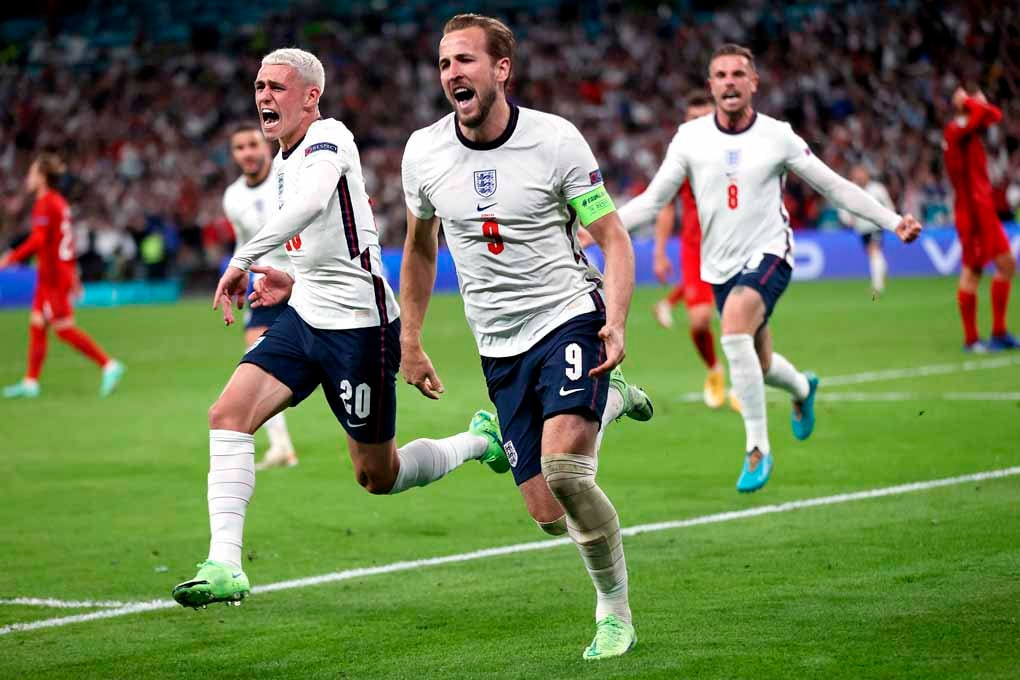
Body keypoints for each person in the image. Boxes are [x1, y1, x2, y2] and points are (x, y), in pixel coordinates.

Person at [172, 48, 508, 611]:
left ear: (310, 96)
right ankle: (225, 564)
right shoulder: (283, 158)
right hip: (306, 317)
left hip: (361, 328)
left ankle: (479, 440)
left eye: (277, 86)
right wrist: (289, 278)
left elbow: (309, 205)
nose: (263, 96)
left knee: (377, 475)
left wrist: (243, 259)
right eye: (258, 85)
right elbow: (320, 242)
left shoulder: (331, 138)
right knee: (227, 415)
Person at [400, 14, 651, 661]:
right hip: (498, 344)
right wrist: (411, 336)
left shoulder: (555, 141)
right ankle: (612, 400)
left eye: (465, 60)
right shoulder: (424, 154)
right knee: (546, 513)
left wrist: (616, 320)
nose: (452, 72)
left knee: (568, 471)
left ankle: (615, 615)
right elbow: (421, 249)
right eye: (444, 63)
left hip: (567, 313)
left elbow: (615, 239)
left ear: (501, 69)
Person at [618, 44, 922, 493]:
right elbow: (652, 202)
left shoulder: (777, 136)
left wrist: (893, 221)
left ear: (753, 82)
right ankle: (802, 389)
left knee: (735, 327)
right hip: (718, 266)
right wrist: (596, 228)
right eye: (720, 74)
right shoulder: (690, 139)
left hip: (770, 254)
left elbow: (834, 186)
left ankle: (756, 448)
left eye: (738, 73)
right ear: (711, 85)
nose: (729, 81)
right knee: (756, 363)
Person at [0, 153, 124, 399]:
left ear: (43, 177)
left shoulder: (45, 203)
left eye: (32, 172)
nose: (28, 177)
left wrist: (9, 258)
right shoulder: (59, 202)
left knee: (63, 329)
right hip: (53, 274)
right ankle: (30, 382)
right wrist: (73, 275)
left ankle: (109, 365)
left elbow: (39, 240)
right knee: (37, 324)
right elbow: (64, 242)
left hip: (54, 277)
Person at [649, 90, 736, 410]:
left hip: (735, 245)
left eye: (704, 118)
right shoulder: (681, 158)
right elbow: (665, 206)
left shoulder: (735, 151)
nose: (698, 124)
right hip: (696, 249)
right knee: (700, 322)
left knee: (740, 323)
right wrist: (659, 252)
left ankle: (743, 386)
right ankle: (714, 368)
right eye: (692, 119)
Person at [222, 123, 299, 470]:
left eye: (253, 144)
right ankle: (281, 446)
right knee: (257, 360)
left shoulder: (290, 173)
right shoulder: (232, 197)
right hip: (265, 285)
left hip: (304, 278)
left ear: (265, 146)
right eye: (240, 148)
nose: (248, 153)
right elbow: (243, 241)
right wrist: (239, 270)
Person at [943, 86, 1017, 352]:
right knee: (972, 271)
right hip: (971, 212)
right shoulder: (955, 130)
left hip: (985, 209)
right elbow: (983, 113)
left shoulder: (969, 127)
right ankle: (971, 339)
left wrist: (975, 102)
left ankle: (998, 332)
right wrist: (974, 102)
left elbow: (994, 114)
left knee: (1007, 265)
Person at [837, 165, 894, 296]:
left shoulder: (877, 189)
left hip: (876, 225)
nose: (859, 178)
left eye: (861, 174)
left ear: (867, 174)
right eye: (856, 175)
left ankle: (877, 287)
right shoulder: (851, 189)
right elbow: (843, 208)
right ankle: (882, 270)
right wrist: (847, 219)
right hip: (861, 229)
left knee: (874, 250)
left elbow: (888, 205)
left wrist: (890, 220)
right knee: (873, 253)